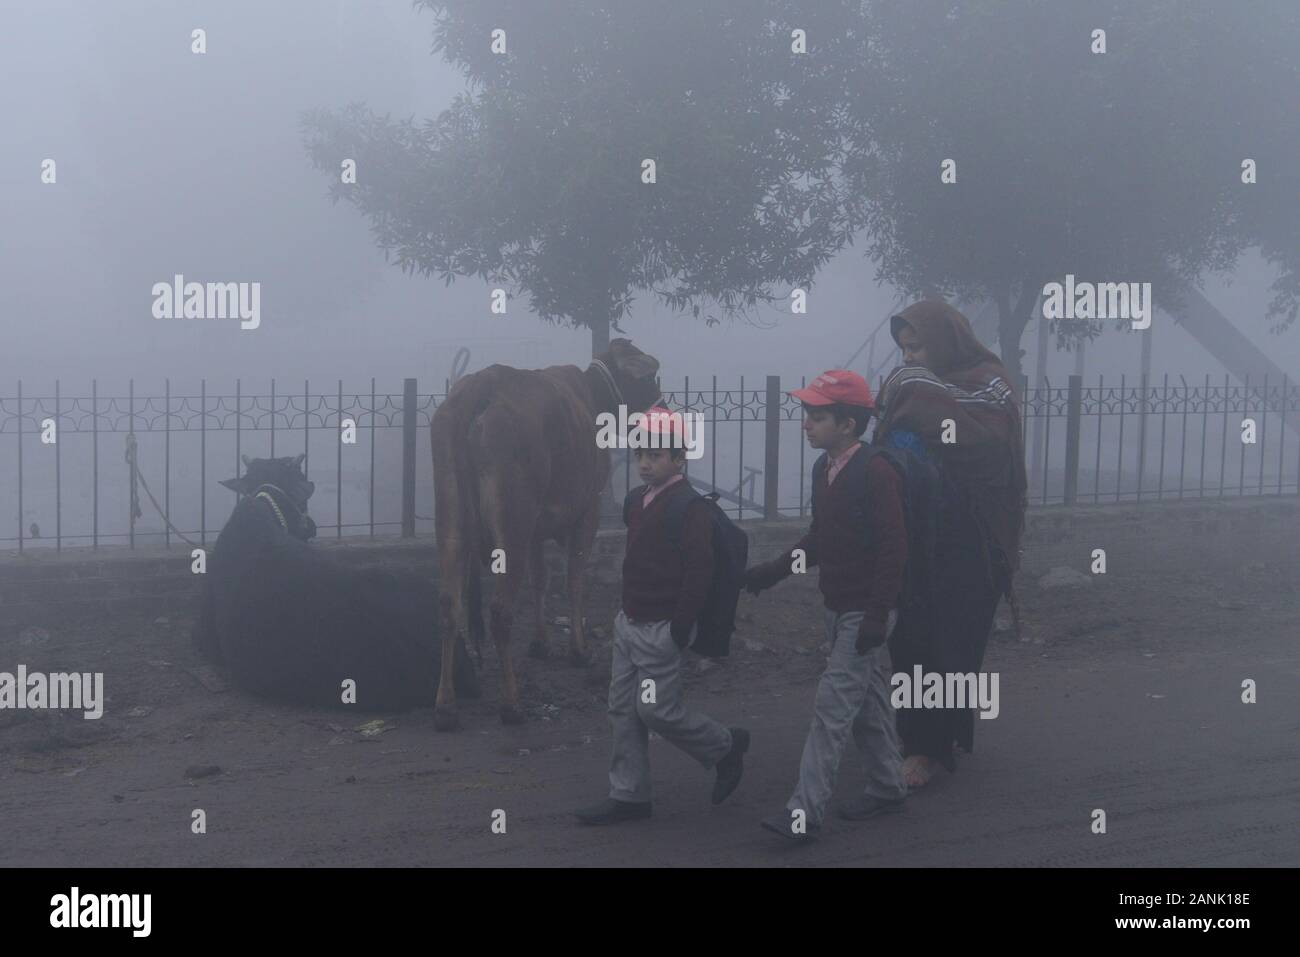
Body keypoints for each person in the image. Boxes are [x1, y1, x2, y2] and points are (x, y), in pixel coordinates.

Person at [744, 371, 909, 842]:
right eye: (807, 415)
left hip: (865, 611)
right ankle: (889, 786)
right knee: (868, 704)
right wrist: (775, 571)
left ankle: (804, 812)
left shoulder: (878, 472)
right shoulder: (825, 470)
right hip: (837, 607)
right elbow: (820, 539)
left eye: (818, 416)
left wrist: (878, 613)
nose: (806, 424)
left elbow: (894, 547)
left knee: (832, 707)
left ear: (849, 425)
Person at [875, 299, 1028, 789]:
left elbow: (987, 449)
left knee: (954, 644)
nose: (909, 360)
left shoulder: (990, 382)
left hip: (974, 542)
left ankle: (933, 747)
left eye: (917, 346)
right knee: (912, 639)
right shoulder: (918, 390)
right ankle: (923, 739)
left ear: (944, 340)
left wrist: (923, 396)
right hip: (922, 535)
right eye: (903, 349)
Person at [575, 407, 749, 825]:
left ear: (679, 458)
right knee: (621, 709)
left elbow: (699, 571)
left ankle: (724, 747)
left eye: (656, 455)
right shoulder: (636, 501)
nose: (646, 463)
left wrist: (679, 628)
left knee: (656, 710)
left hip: (661, 629)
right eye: (640, 455)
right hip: (629, 622)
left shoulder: (690, 508)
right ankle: (630, 795)